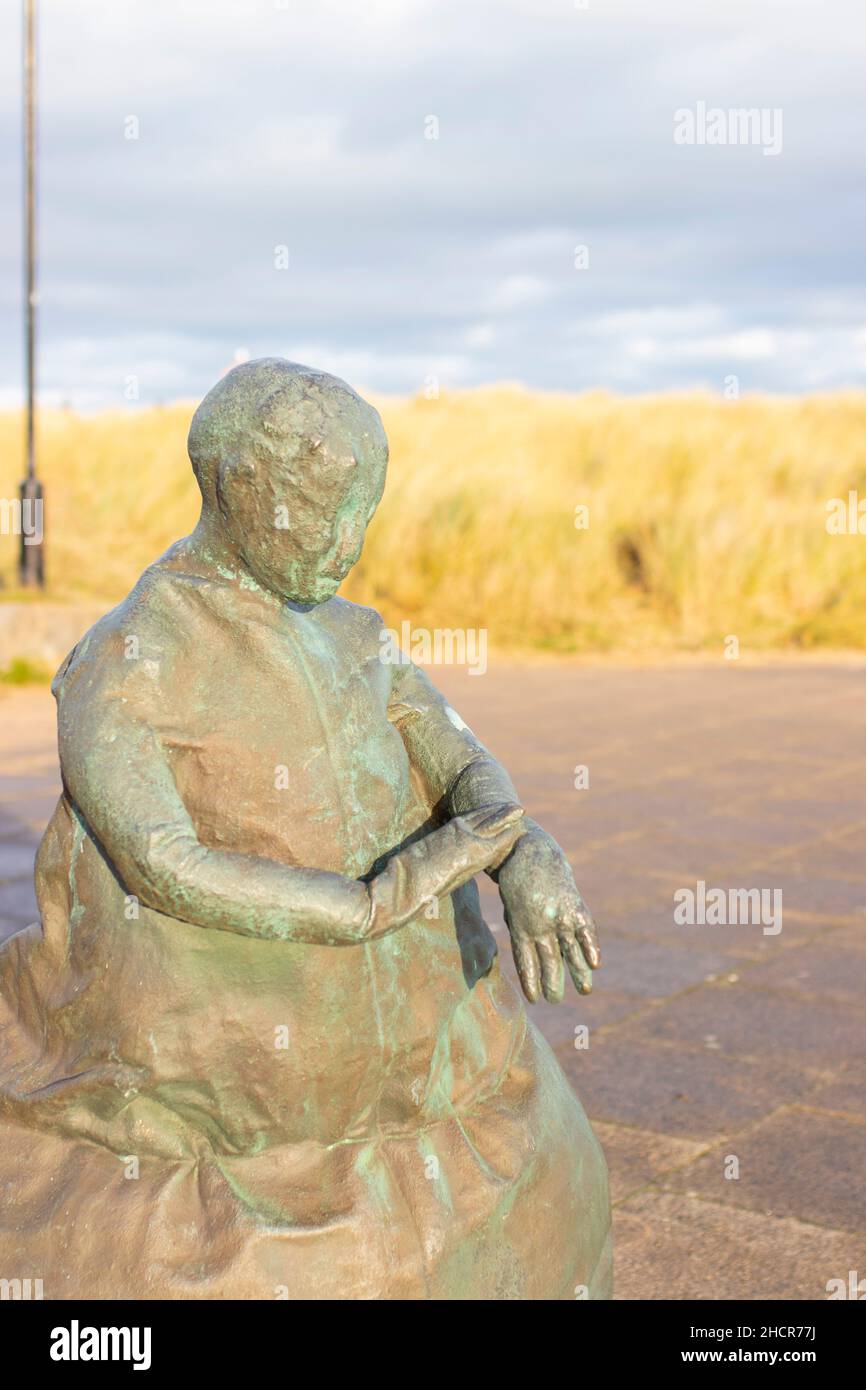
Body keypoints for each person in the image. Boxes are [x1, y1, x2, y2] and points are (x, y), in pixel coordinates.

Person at [0, 359, 611, 1299]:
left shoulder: (356, 633)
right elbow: (162, 862)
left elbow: (459, 759)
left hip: (425, 1056)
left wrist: (528, 851)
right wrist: (377, 901)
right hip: (215, 1082)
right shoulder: (128, 658)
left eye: (362, 513)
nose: (347, 543)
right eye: (322, 509)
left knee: (543, 1192)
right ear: (239, 485)